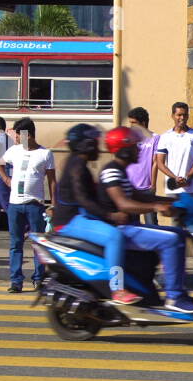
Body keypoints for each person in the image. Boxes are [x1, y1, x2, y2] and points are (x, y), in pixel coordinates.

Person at [100, 126, 193, 314]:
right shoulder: (111, 171)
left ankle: (174, 291)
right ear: (123, 149)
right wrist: (156, 207)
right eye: (135, 146)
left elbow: (140, 196)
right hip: (120, 231)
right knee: (171, 240)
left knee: (179, 233)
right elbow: (124, 204)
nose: (139, 150)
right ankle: (175, 296)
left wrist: (173, 201)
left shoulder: (121, 172)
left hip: (129, 228)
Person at [52, 124, 144, 305]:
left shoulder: (77, 163)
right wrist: (112, 215)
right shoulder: (77, 166)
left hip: (78, 218)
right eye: (94, 143)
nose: (98, 147)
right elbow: (84, 200)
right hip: (70, 221)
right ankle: (117, 289)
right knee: (114, 237)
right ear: (85, 145)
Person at [0, 117, 56, 293]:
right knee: (15, 243)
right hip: (14, 205)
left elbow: (53, 181)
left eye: (18, 135)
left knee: (38, 243)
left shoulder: (45, 154)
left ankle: (38, 278)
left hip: (35, 205)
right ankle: (16, 281)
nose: (15, 139)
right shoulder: (14, 151)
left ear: (28, 135)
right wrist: (6, 179)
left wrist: (53, 205)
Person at [155, 101, 193, 203]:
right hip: (173, 188)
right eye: (179, 115)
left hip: (192, 187)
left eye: (185, 115)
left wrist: (188, 177)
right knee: (176, 218)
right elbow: (160, 163)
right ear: (173, 116)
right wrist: (175, 178)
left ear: (188, 116)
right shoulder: (165, 137)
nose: (182, 118)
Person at [126, 107, 161, 225]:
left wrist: (154, 184)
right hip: (131, 188)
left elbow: (156, 161)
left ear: (143, 123)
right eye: (130, 123)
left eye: (134, 123)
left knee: (151, 224)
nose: (131, 126)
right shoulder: (129, 138)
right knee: (132, 224)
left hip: (147, 188)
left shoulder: (155, 138)